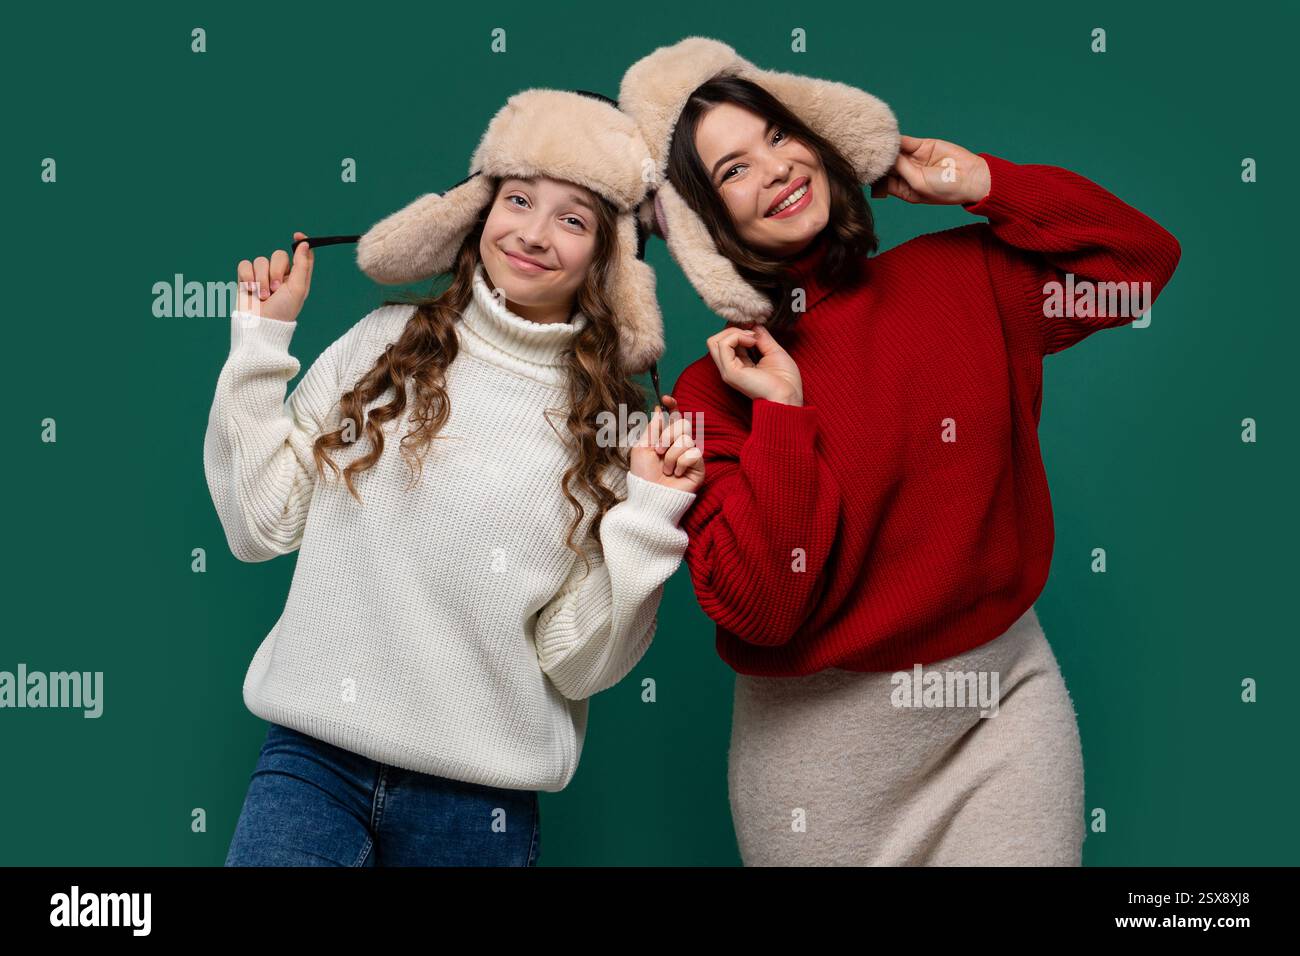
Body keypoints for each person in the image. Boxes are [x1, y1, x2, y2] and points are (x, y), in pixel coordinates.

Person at [619, 37, 1181, 865]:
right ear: (707, 221)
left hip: (1000, 700)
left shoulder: (968, 279)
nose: (772, 169)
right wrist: (781, 415)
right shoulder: (714, 393)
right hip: (822, 763)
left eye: (778, 136)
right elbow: (761, 612)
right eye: (732, 170)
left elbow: (1138, 267)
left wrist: (984, 183)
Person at [204, 89, 704, 866]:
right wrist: (260, 346)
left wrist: (649, 517)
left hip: (479, 805)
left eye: (573, 219)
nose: (534, 234)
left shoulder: (615, 434)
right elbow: (259, 527)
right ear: (480, 210)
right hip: (312, 761)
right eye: (518, 200)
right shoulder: (379, 342)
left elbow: (577, 661)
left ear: (609, 257)